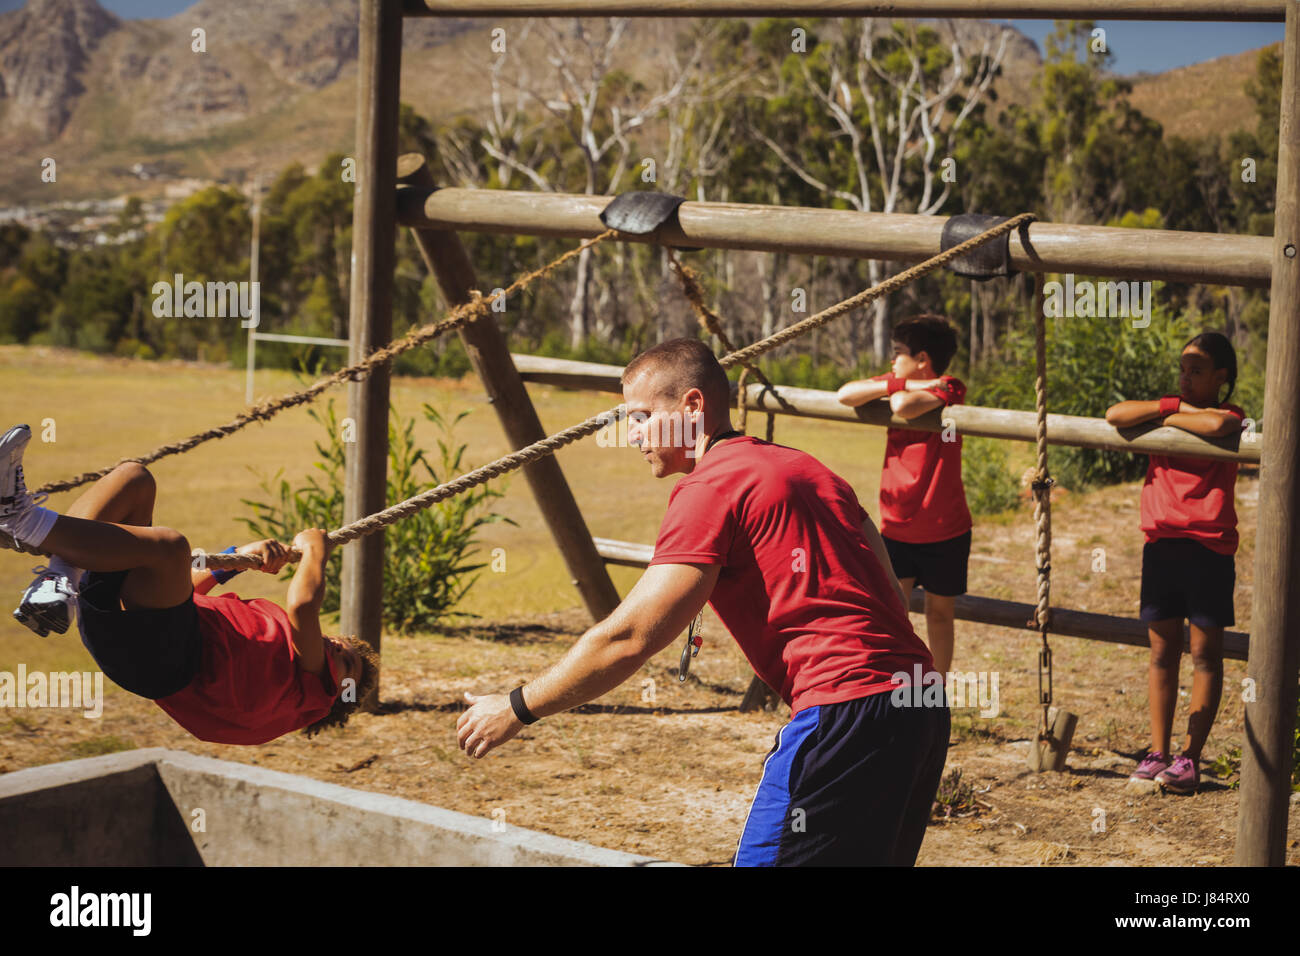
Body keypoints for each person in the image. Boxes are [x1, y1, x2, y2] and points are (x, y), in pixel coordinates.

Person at [457, 337, 950, 866]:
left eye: (643, 416)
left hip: (842, 712)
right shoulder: (811, 470)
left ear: (693, 407)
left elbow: (629, 638)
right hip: (919, 708)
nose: (633, 435)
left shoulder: (711, 487)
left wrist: (516, 707)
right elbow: (886, 588)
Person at [0, 423, 377, 743]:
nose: (339, 646)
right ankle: (60, 579)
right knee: (134, 478)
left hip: (165, 661)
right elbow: (187, 593)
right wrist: (239, 558)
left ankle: (21, 519)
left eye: (347, 664)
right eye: (346, 646)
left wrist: (316, 550)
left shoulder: (315, 689)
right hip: (142, 633)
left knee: (170, 548)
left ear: (338, 693)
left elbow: (304, 605)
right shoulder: (279, 654)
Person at [1104, 332, 1245, 795]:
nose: (1185, 377)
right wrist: (1171, 407)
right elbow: (1115, 415)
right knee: (1162, 653)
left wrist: (1171, 414)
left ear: (1221, 378)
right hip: (1161, 545)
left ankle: (1190, 758)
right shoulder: (1167, 411)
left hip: (1208, 550)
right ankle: (1158, 752)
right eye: (1182, 368)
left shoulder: (1230, 416)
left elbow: (1215, 427)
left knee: (1206, 655)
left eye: (1196, 371)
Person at [836, 315, 971, 675]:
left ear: (923, 359)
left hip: (947, 528)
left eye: (898, 354)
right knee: (890, 612)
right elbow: (845, 393)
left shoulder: (950, 386)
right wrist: (897, 381)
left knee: (940, 616)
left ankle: (934, 696)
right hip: (897, 527)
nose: (892, 362)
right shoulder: (897, 382)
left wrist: (896, 387)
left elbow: (903, 407)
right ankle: (892, 689)